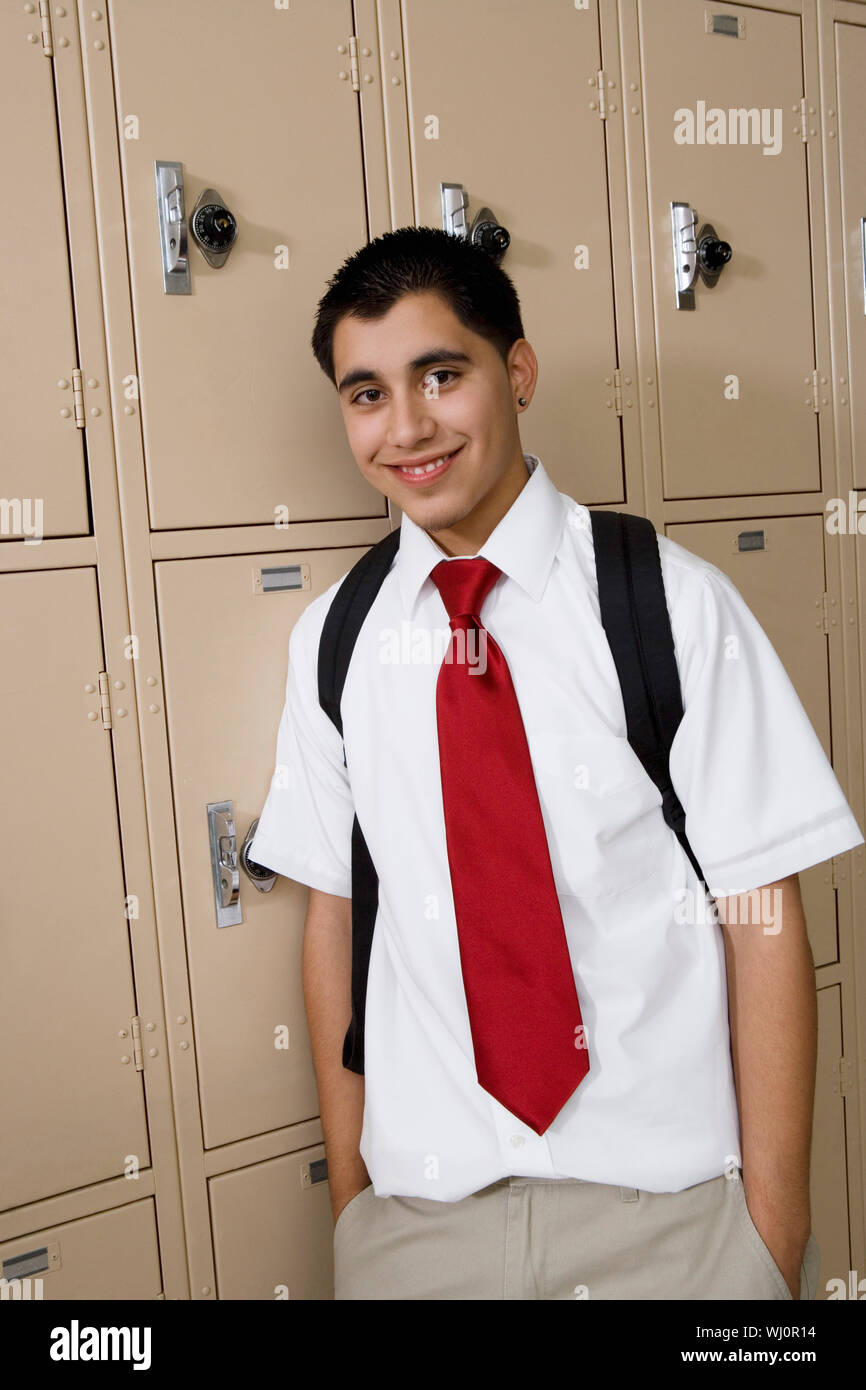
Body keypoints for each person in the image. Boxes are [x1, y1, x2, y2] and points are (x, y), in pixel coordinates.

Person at [249, 226, 864, 1300]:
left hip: (671, 1229)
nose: (407, 428)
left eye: (441, 375)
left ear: (516, 370)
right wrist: (355, 1208)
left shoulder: (665, 603)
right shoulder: (336, 639)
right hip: (420, 1234)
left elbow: (760, 911)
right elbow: (336, 918)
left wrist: (766, 1237)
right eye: (366, 393)